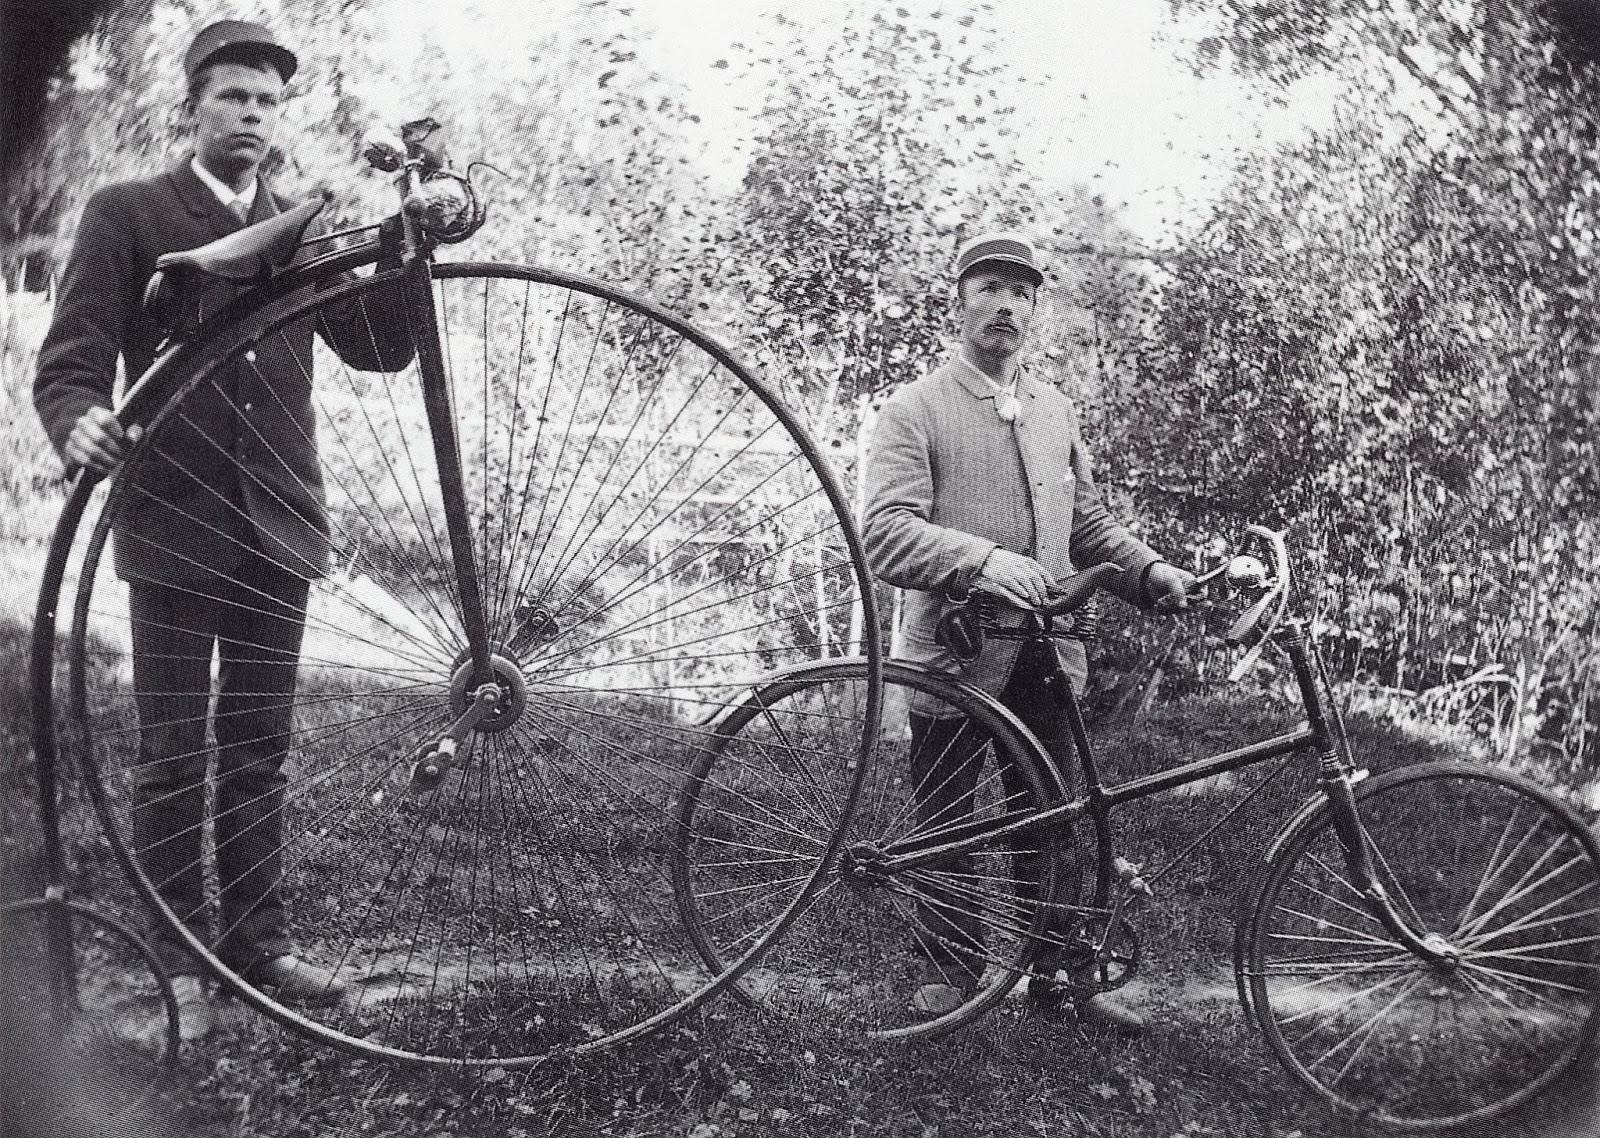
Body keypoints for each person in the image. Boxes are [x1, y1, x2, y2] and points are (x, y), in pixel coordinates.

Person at [33, 19, 410, 1041]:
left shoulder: (298, 222)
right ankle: (175, 953)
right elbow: (72, 357)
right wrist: (80, 422)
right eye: (231, 97)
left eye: (266, 101)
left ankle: (257, 943)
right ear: (189, 109)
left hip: (277, 524)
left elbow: (377, 347)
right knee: (171, 754)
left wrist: (403, 253)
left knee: (257, 749)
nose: (250, 114)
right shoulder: (129, 214)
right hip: (173, 516)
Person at [862, 231, 1196, 1033]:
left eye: (1021, 292)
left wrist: (1149, 570)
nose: (1005, 304)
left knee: (1049, 813)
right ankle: (950, 972)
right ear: (959, 302)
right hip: (954, 653)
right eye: (989, 288)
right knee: (945, 814)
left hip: (1047, 651)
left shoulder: (1054, 410)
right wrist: (980, 561)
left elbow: (1084, 519)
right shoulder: (915, 410)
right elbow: (884, 532)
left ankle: (1056, 977)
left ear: (1035, 310)